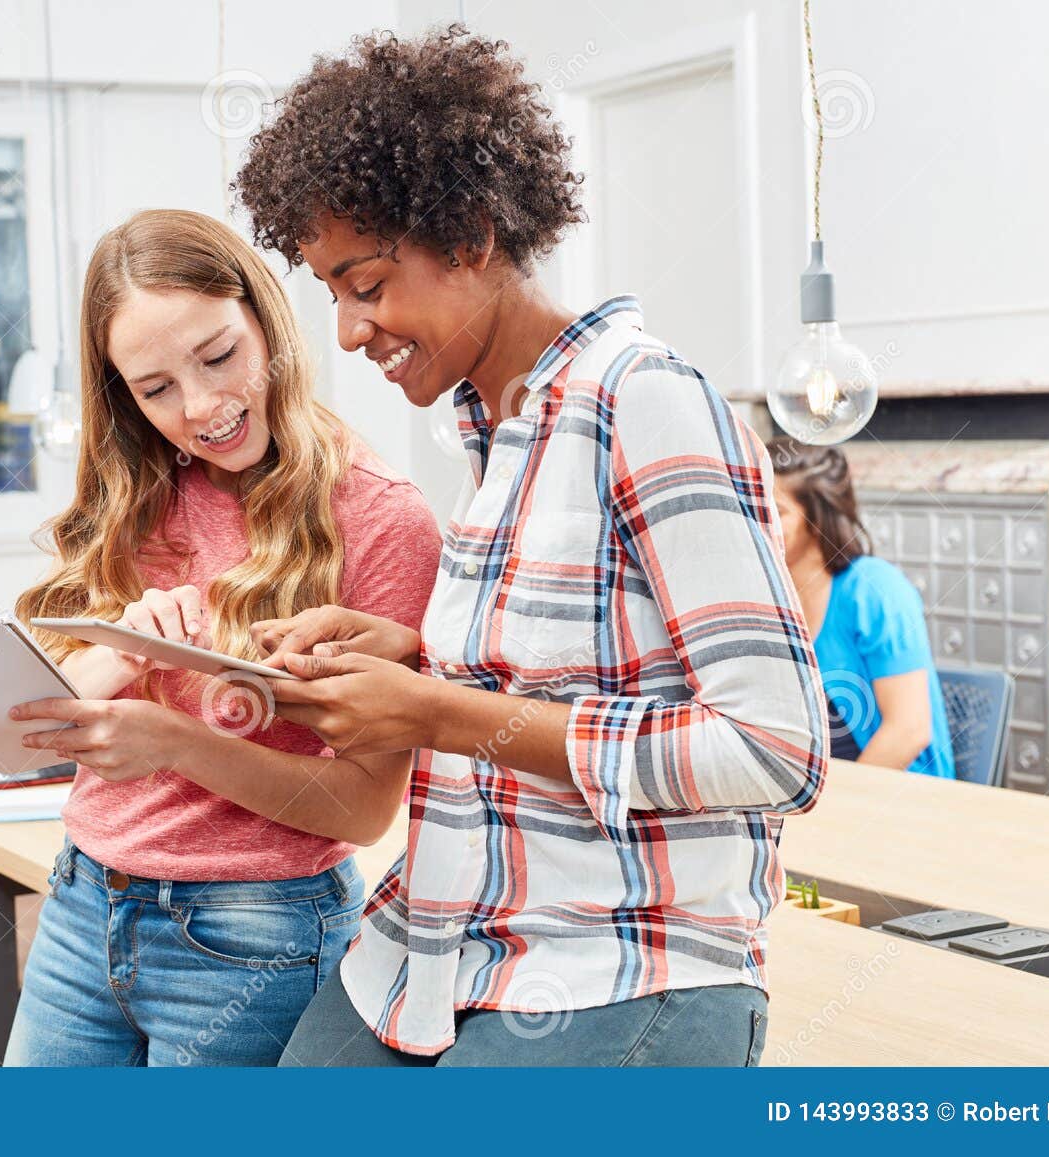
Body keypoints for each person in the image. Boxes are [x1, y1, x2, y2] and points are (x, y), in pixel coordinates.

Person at [233, 25, 828, 1067]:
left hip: (622, 957)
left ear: (468, 237)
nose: (348, 330)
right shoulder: (495, 430)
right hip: (440, 943)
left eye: (365, 285)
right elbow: (574, 666)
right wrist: (408, 659)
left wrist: (436, 712)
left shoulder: (645, 404)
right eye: (331, 293)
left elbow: (775, 748)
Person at [2, 209, 442, 1067]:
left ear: (267, 321)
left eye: (218, 356)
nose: (200, 407)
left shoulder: (382, 519)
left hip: (253, 934)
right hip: (84, 900)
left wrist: (173, 740)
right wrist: (117, 655)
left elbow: (363, 807)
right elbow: (37, 727)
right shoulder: (139, 491)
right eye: (155, 388)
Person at [768, 438, 957, 777]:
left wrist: (836, 802)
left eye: (776, 511)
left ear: (818, 519)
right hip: (810, 790)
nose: (758, 521)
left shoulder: (875, 589)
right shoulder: (769, 594)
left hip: (895, 792)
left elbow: (908, 731)